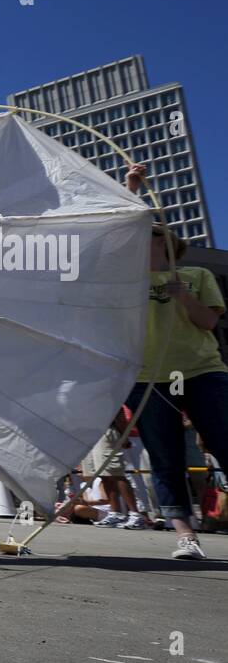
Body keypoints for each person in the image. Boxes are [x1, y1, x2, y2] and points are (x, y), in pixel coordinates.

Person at [123, 165, 227, 559]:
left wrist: (181, 294)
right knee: (164, 455)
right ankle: (186, 534)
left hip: (201, 371)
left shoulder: (197, 274)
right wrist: (132, 191)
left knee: (222, 442)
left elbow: (208, 321)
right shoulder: (128, 284)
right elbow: (117, 230)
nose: (142, 245)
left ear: (167, 245)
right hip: (150, 378)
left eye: (151, 240)